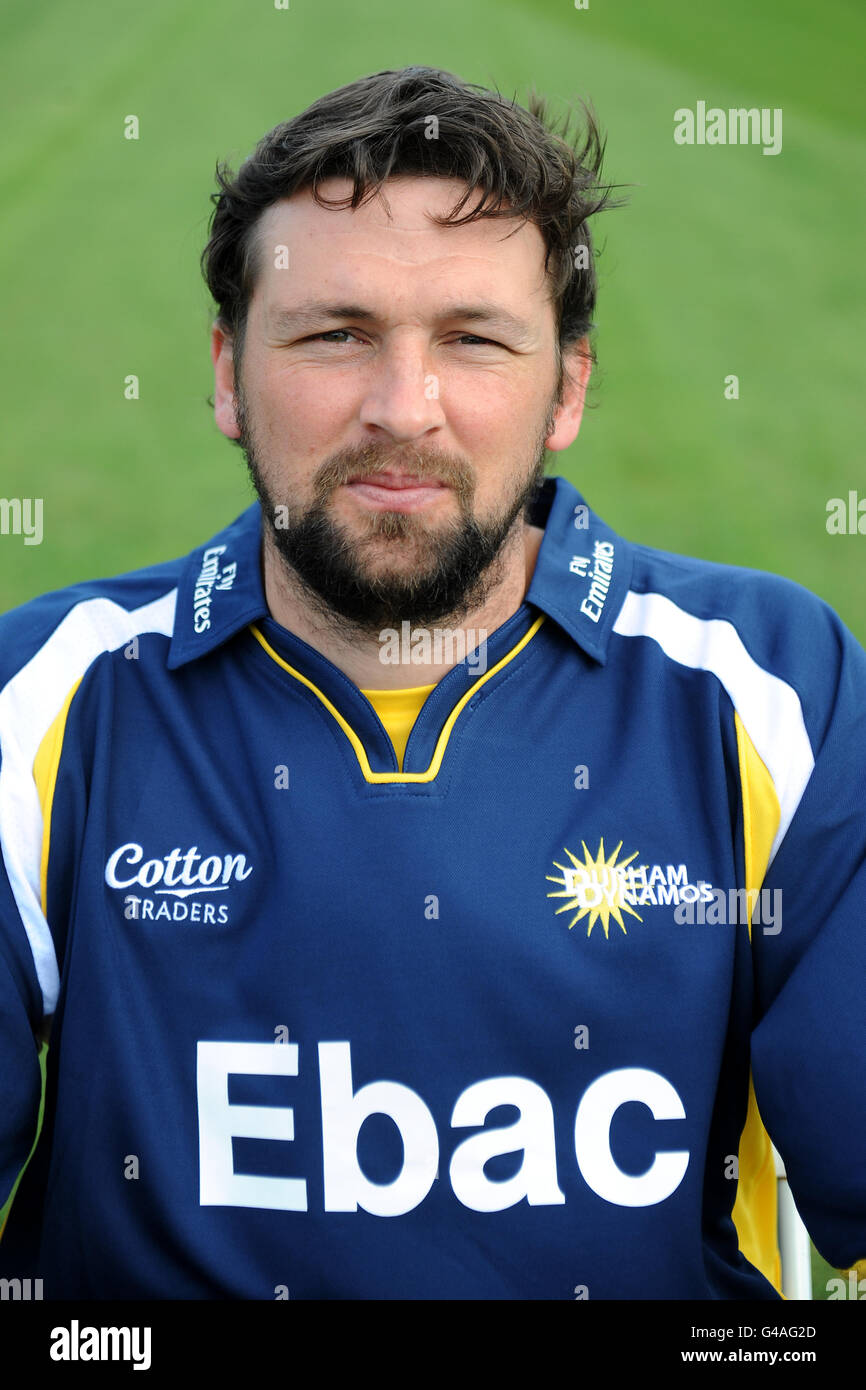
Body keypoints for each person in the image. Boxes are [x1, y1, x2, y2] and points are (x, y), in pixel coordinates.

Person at [0, 65, 864, 1301]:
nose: (402, 410)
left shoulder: (774, 690)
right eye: (333, 334)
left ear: (563, 387)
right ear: (225, 372)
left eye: (472, 339)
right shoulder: (39, 706)